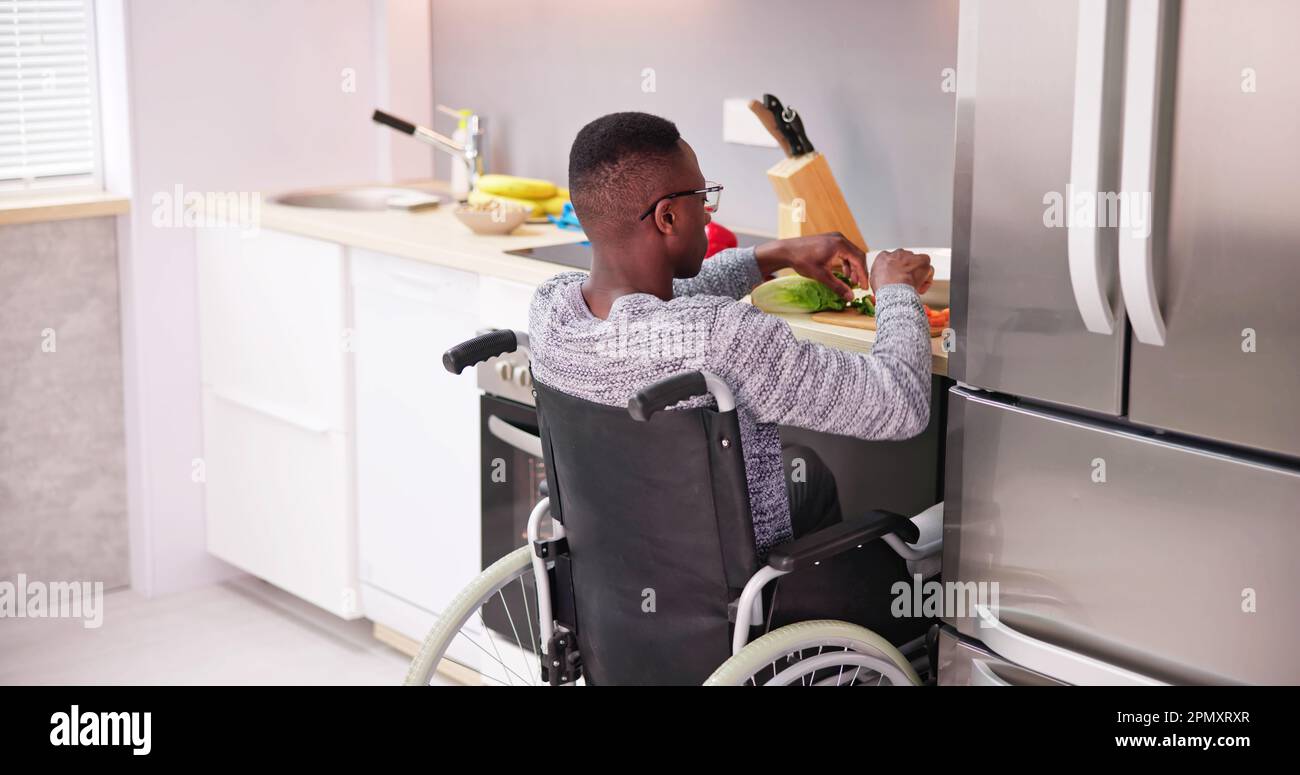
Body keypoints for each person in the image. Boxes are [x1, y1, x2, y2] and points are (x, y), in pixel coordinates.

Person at [528, 112, 934, 634]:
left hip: (620, 591)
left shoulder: (552, 311)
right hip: (737, 602)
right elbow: (900, 405)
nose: (708, 212)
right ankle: (805, 645)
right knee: (924, 585)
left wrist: (772, 256)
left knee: (806, 473)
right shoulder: (725, 337)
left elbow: (663, 316)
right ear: (668, 217)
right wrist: (894, 286)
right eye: (704, 197)